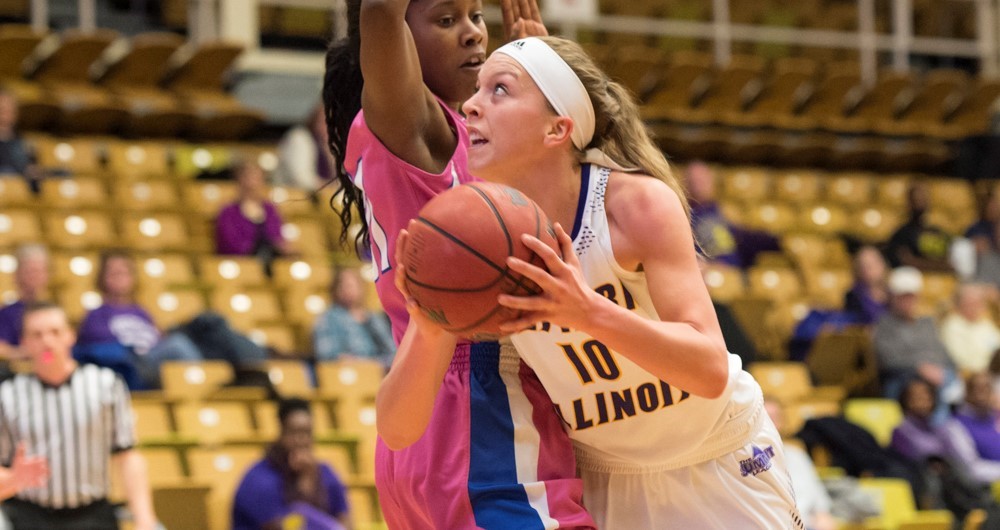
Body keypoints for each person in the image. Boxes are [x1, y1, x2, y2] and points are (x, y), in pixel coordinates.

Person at [388, 36, 801, 528]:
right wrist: (430, 325)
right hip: (608, 477)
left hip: (718, 451)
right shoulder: (479, 234)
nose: (471, 106)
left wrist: (588, 311)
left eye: (499, 90)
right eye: (475, 91)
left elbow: (710, 369)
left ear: (557, 128)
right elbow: (398, 429)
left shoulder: (632, 206)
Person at [323, 1, 593, 528]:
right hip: (481, 412)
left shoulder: (460, 130)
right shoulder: (414, 124)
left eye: (475, 15)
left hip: (421, 405)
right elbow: (379, 11)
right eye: (447, 21)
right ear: (396, 39)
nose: (472, 33)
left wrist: (530, 84)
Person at [0, 302, 157, 530]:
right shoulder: (8, 395)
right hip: (30, 516)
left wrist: (144, 519)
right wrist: (14, 478)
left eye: (55, 332)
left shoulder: (106, 385)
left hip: (93, 514)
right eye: (37, 334)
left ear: (70, 336)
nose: (47, 341)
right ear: (24, 342)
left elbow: (127, 455)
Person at [74, 250, 200, 390]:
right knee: (178, 345)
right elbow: (102, 349)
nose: (120, 278)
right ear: (102, 278)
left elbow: (156, 338)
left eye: (125, 272)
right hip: (130, 365)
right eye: (114, 273)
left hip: (153, 362)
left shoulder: (141, 312)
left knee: (184, 338)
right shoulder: (96, 315)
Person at [232, 398, 351, 530]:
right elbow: (282, 526)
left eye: (307, 433)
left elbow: (345, 520)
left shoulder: (325, 472)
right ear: (281, 433)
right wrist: (306, 485)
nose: (301, 440)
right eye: (294, 432)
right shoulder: (258, 478)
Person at [873, 266, 960, 416]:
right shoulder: (884, 325)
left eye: (911, 296)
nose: (908, 300)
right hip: (904, 380)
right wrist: (920, 368)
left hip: (940, 376)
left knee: (961, 385)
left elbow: (942, 352)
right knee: (923, 391)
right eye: (903, 296)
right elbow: (888, 360)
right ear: (892, 297)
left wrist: (949, 371)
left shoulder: (927, 323)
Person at [683, 160, 780, 269]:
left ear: (711, 182)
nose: (698, 186)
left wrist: (778, 240)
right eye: (694, 181)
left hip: (735, 270)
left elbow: (743, 238)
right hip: (707, 271)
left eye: (702, 181)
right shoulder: (685, 216)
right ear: (686, 184)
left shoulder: (720, 213)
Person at [764, 398, 837, 530]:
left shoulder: (798, 455)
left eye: (775, 418)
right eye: (767, 418)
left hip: (805, 524)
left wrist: (823, 516)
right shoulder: (745, 461)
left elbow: (819, 500)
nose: (772, 425)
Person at [215, 159, 294, 270]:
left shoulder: (270, 210)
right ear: (239, 180)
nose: (252, 183)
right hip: (242, 265)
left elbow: (277, 237)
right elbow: (229, 245)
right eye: (248, 177)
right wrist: (253, 250)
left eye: (256, 178)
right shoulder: (228, 212)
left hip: (272, 263)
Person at [313, 267, 394, 368]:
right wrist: (347, 360)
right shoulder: (328, 318)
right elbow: (327, 355)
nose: (349, 290)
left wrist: (374, 364)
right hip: (348, 373)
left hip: (377, 370)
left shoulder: (374, 318)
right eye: (344, 286)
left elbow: (392, 352)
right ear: (336, 290)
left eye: (353, 285)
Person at [885, 182, 953, 272]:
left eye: (922, 199)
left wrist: (921, 263)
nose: (919, 202)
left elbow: (949, 264)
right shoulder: (901, 234)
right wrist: (935, 265)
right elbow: (907, 262)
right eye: (916, 199)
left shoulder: (937, 232)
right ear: (909, 202)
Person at [0, 244, 50, 361]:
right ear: (17, 275)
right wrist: (26, 353)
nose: (34, 276)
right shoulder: (6, 313)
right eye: (29, 271)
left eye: (38, 271)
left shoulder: (53, 312)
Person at [939, 283, 1000, 374]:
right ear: (960, 304)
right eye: (970, 303)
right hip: (970, 376)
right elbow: (959, 359)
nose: (975, 308)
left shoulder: (986, 324)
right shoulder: (952, 326)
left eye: (978, 303)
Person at [274, 103, 335, 190]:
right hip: (293, 195)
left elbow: (337, 177)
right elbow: (300, 177)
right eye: (323, 121)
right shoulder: (299, 138)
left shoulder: (326, 144)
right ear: (314, 120)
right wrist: (328, 186)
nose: (328, 127)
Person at [0, 89, 42, 192]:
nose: (7, 115)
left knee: (62, 173)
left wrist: (33, 170)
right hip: (7, 183)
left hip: (25, 185)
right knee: (8, 172)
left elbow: (32, 164)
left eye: (11, 110)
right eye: (3, 110)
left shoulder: (23, 141)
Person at [955, 373, 1000, 462]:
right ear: (967, 392)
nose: (982, 393)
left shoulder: (996, 416)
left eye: (987, 388)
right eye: (978, 388)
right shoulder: (956, 424)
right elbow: (972, 466)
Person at [843, 245, 890, 326]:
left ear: (883, 264)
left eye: (872, 264)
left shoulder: (894, 292)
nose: (868, 269)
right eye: (863, 265)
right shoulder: (854, 297)